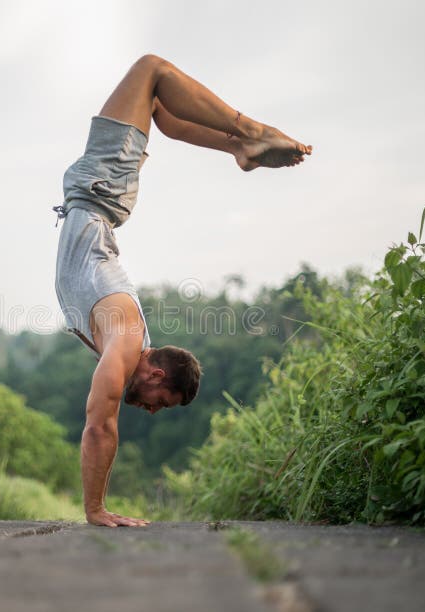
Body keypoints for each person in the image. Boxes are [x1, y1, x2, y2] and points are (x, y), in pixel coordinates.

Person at [53, 55, 312, 528]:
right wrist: (95, 510)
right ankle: (249, 133)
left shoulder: (120, 344)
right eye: (160, 400)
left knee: (158, 107)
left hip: (99, 193)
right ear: (154, 371)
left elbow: (103, 423)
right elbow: (99, 427)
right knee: (151, 68)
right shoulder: (126, 345)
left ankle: (240, 149)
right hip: (101, 189)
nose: (150, 409)